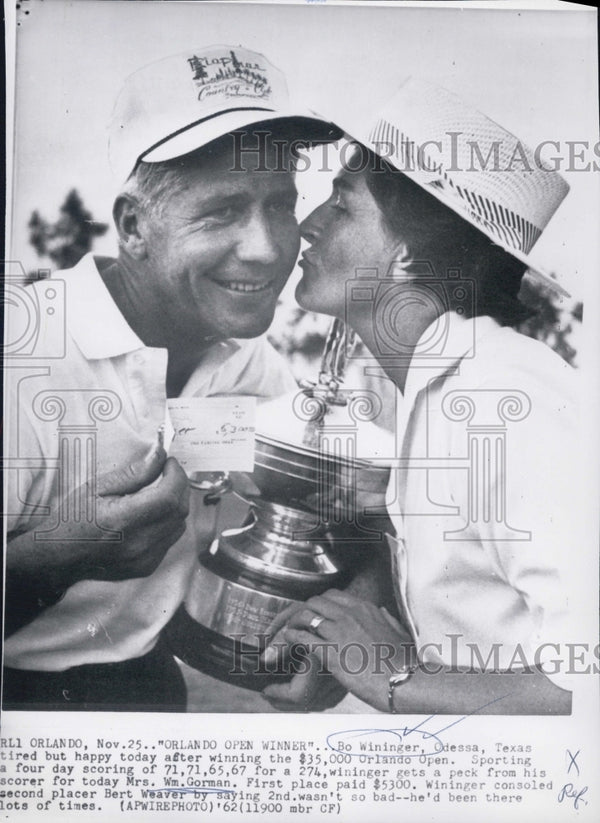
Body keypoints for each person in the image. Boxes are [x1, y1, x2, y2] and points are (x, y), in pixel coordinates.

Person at [3, 44, 342, 711]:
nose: (269, 248)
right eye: (220, 212)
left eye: (280, 205)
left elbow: (318, 512)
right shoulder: (24, 358)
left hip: (152, 683)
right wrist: (63, 555)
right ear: (134, 226)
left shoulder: (249, 363)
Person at [262, 78, 583, 714]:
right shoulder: (439, 384)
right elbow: (481, 606)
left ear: (406, 257)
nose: (306, 225)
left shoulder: (507, 399)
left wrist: (396, 680)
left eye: (343, 206)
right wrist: (341, 651)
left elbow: (586, 683)